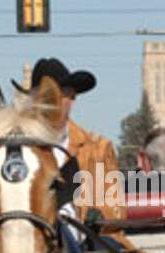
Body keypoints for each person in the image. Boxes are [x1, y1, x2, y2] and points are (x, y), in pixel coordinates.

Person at [13, 58, 124, 221]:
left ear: (72, 98)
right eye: (46, 96)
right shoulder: (15, 150)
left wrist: (96, 219)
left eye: (60, 95)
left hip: (84, 242)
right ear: (34, 101)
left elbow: (114, 214)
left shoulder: (96, 150)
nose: (52, 103)